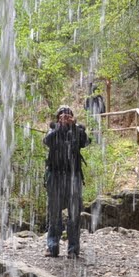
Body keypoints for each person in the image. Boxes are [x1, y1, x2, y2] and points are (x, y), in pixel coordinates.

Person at [43, 104, 89, 257]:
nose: (65, 117)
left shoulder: (77, 131)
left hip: (73, 177)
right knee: (54, 214)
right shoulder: (53, 130)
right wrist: (59, 127)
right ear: (58, 118)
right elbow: (47, 141)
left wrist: (74, 126)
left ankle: (73, 250)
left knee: (74, 215)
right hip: (55, 177)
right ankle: (52, 247)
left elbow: (86, 142)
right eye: (62, 116)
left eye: (68, 115)